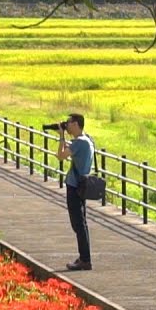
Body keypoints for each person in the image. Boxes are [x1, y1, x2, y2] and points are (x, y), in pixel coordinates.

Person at [57, 113, 94, 271]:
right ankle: (84, 257)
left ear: (76, 124)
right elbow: (69, 152)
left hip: (75, 186)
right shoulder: (87, 140)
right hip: (81, 185)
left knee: (78, 223)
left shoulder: (79, 142)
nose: (67, 124)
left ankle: (85, 259)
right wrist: (64, 136)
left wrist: (61, 137)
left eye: (69, 122)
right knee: (81, 222)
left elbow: (60, 156)